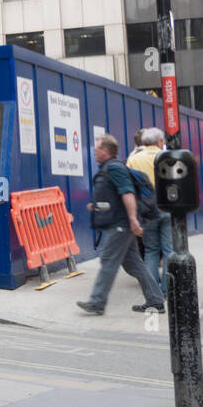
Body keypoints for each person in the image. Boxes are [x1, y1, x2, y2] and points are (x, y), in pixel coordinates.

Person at [78, 134, 167, 315]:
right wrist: (96, 206)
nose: (95, 151)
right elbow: (115, 197)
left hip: (121, 225)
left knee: (108, 260)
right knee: (134, 264)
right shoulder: (108, 168)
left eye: (97, 148)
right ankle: (156, 301)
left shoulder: (115, 168)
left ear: (105, 150)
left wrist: (133, 219)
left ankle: (97, 302)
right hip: (120, 223)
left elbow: (127, 193)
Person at [128, 127, 172, 293]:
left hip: (146, 211)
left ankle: (153, 291)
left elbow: (129, 186)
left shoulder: (133, 159)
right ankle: (167, 289)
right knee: (168, 250)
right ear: (159, 142)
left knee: (151, 251)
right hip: (166, 207)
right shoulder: (166, 157)